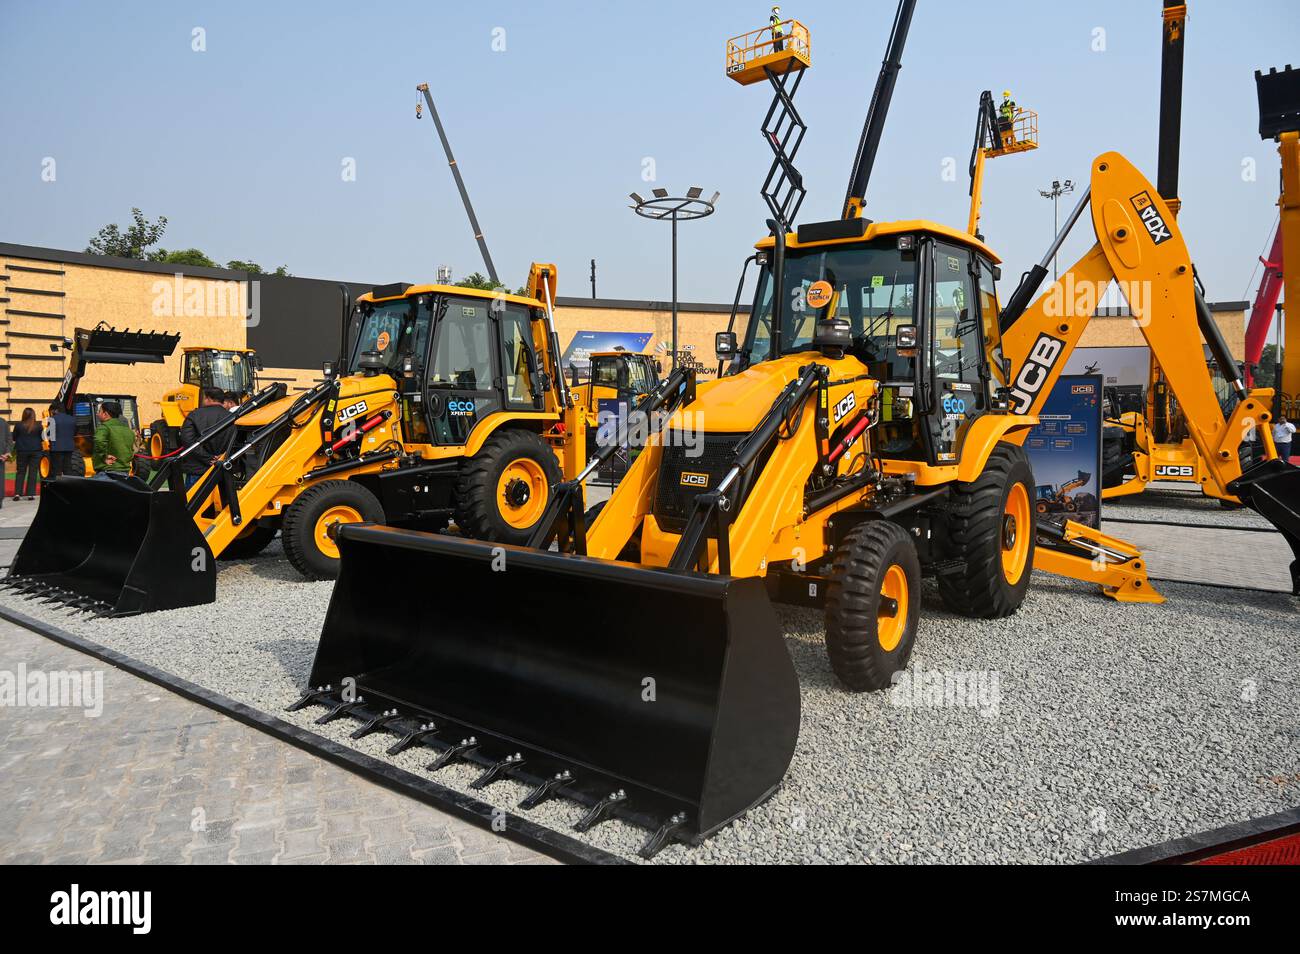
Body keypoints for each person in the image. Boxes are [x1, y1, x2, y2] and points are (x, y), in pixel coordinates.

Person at [179, 388, 232, 488]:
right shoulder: (232, 417)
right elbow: (238, 441)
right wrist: (222, 457)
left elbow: (187, 440)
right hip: (223, 470)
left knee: (193, 501)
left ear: (208, 398)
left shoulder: (194, 415)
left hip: (198, 470)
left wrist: (208, 458)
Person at [91, 401, 135, 475]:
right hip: (125, 473)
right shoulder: (128, 430)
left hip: (107, 472)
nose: (97, 414)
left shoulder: (104, 428)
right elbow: (132, 450)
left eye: (99, 411)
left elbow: (98, 440)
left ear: (105, 414)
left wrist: (104, 456)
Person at [12, 408, 43, 500]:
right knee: (33, 472)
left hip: (22, 450)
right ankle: (30, 494)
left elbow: (14, 438)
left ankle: (17, 494)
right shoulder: (38, 425)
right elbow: (42, 438)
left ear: (24, 415)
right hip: (36, 451)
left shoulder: (18, 425)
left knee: (20, 472)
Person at [45, 401, 76, 478]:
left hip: (56, 448)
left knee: (56, 470)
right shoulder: (72, 419)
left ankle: (57, 487)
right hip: (69, 448)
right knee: (68, 469)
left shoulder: (52, 419)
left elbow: (49, 435)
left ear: (56, 410)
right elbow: (75, 432)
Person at [0, 411, 10, 508]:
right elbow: (9, 439)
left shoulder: (3, 422)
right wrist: (6, 453)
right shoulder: (4, 422)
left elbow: (8, 439)